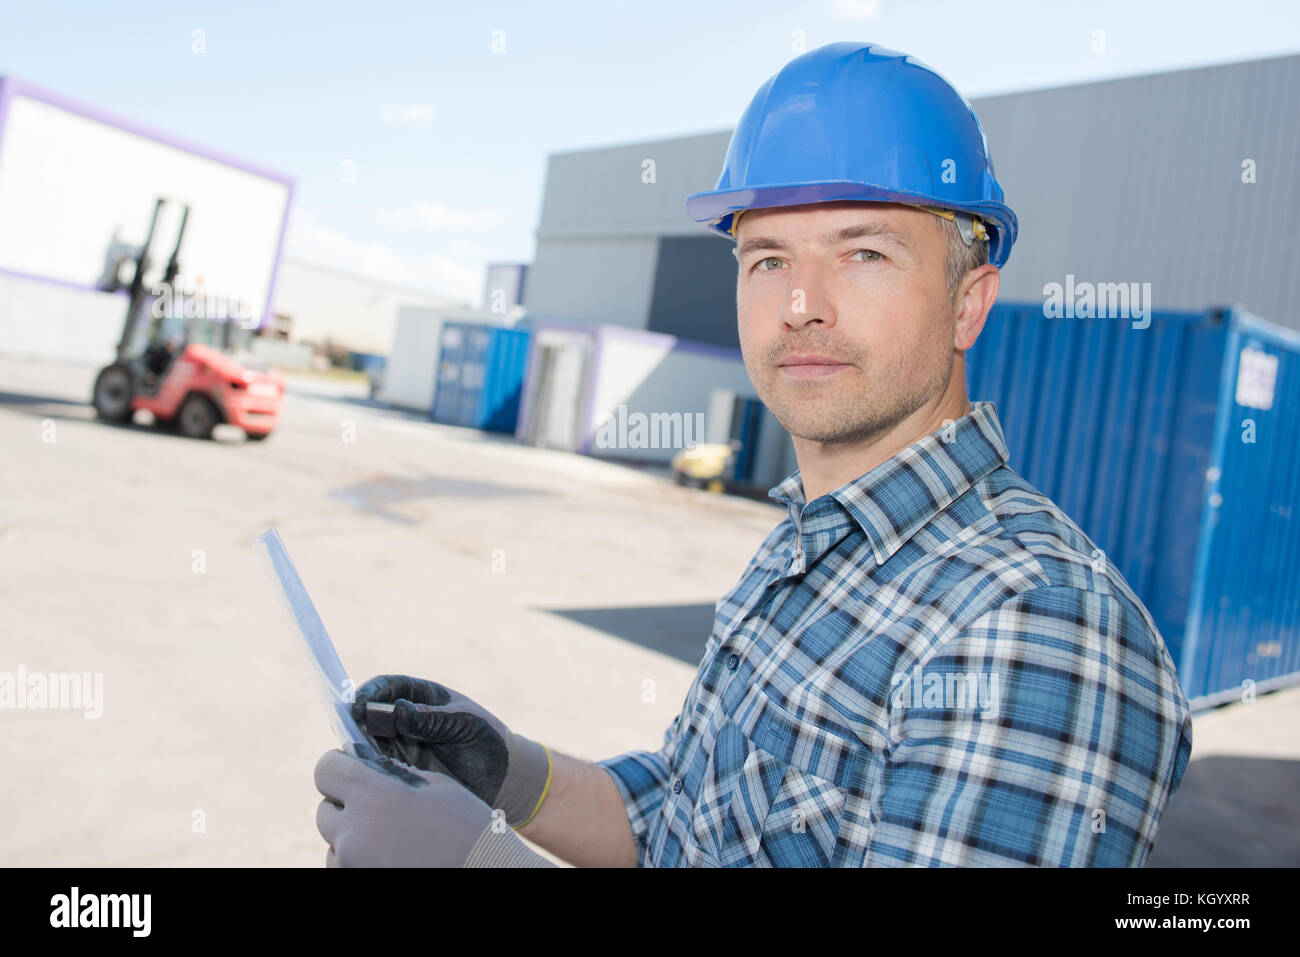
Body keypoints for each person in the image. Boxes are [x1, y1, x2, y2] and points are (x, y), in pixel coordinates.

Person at [314, 41, 1193, 868]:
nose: (802, 303)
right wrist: (511, 774)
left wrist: (475, 860)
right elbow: (680, 820)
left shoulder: (1037, 623)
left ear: (969, 303)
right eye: (768, 257)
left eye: (864, 252)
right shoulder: (805, 544)